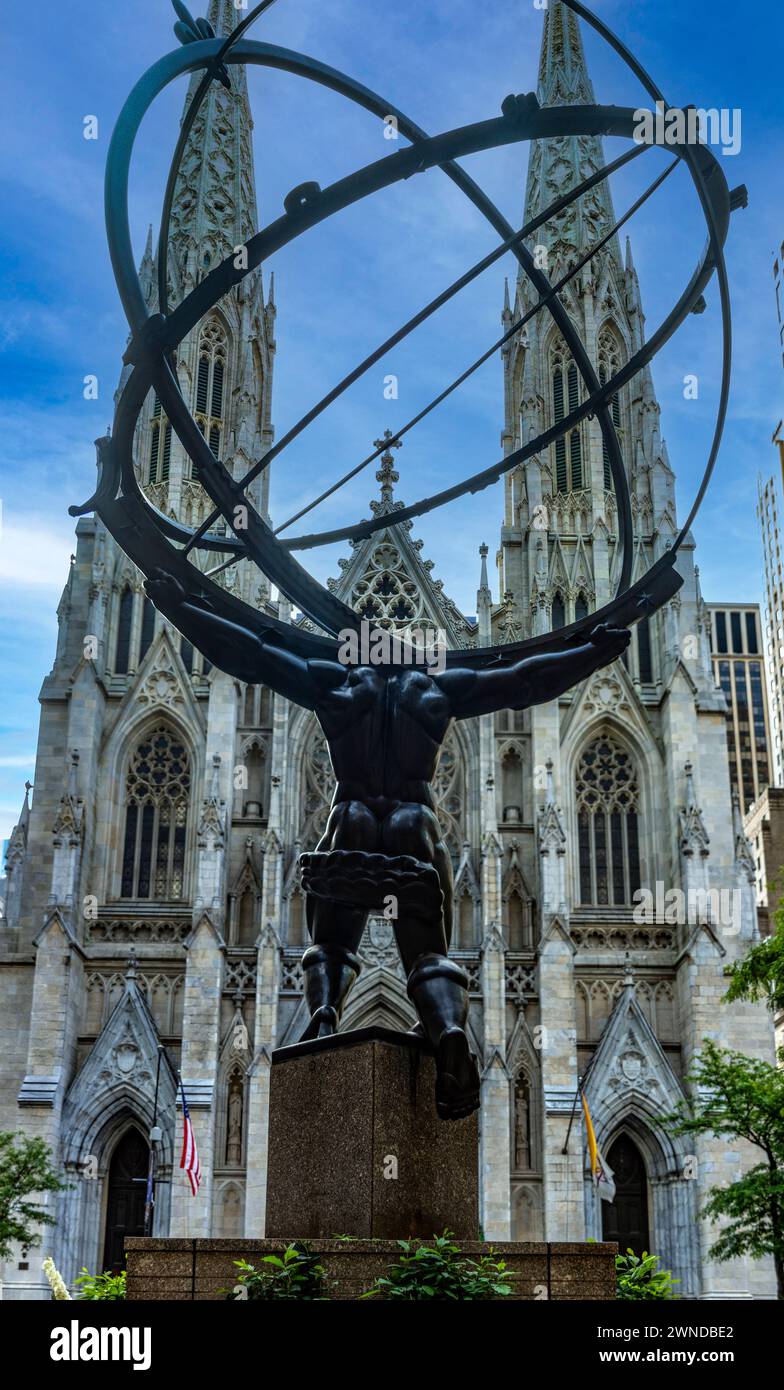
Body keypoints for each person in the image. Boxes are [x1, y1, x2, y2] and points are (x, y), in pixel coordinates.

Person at [146, 569, 630, 1119]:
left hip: (351, 823)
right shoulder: (435, 689)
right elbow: (524, 680)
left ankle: (326, 1010)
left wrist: (177, 605)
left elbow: (251, 654)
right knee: (427, 954)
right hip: (410, 826)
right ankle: (447, 1026)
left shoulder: (336, 682)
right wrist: (594, 652)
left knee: (330, 944)